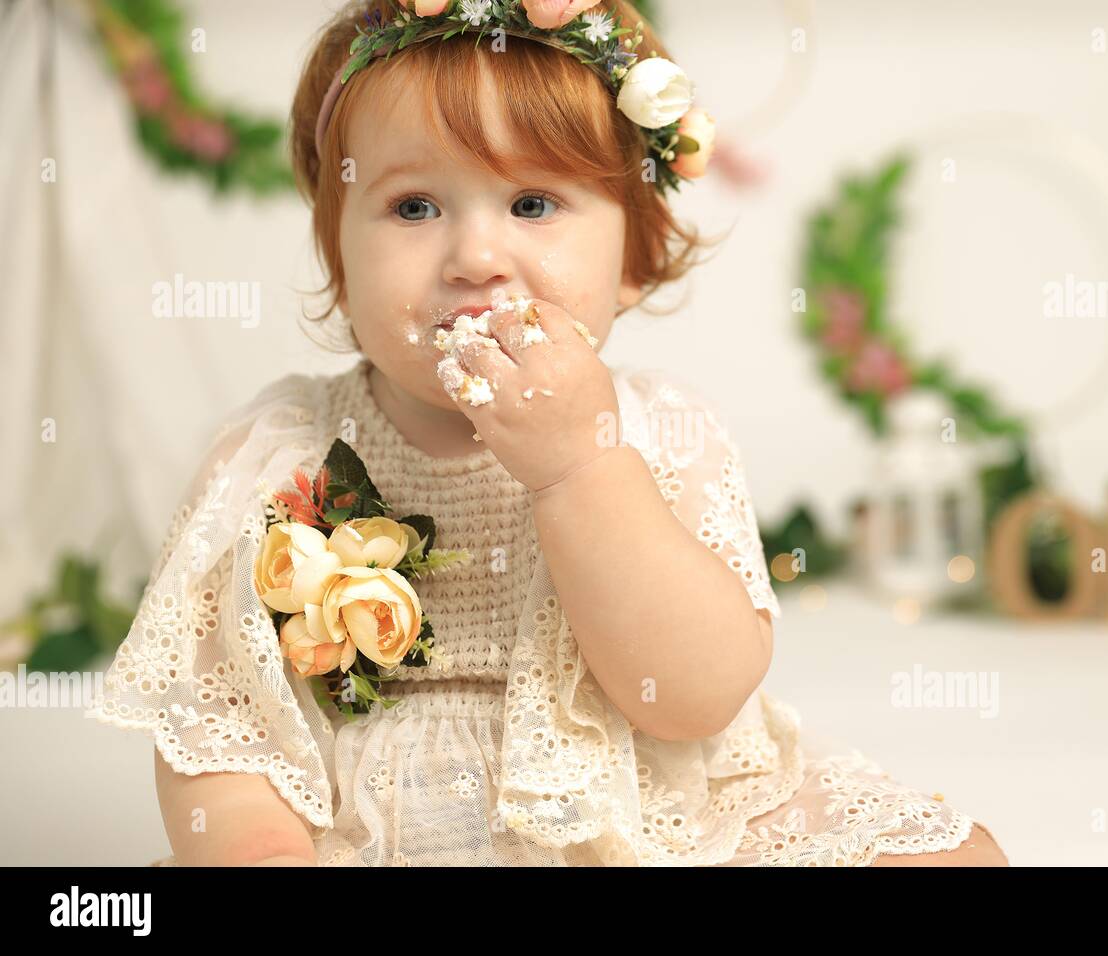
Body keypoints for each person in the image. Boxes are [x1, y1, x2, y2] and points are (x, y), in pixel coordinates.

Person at [87, 0, 1007, 867]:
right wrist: (262, 850)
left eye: (533, 204)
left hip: (645, 804)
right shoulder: (282, 450)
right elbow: (218, 720)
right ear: (338, 254)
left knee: (959, 860)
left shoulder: (663, 432)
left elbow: (697, 697)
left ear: (636, 258)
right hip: (378, 823)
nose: (477, 259)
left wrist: (581, 466)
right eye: (414, 208)